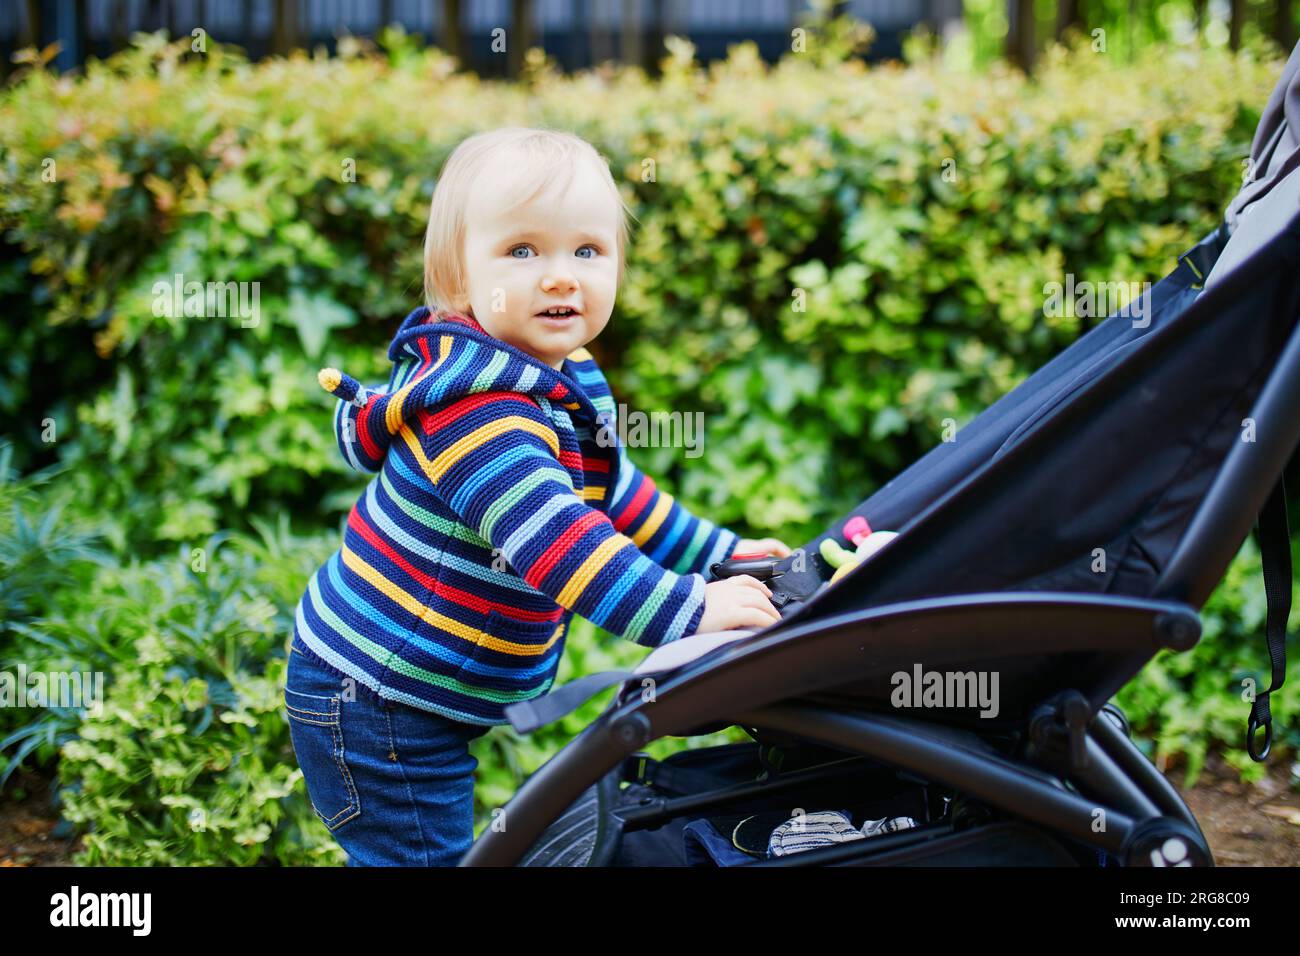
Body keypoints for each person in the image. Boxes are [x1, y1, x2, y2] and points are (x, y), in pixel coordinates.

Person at [283, 126, 790, 866]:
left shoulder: (566, 372)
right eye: (523, 251)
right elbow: (560, 545)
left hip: (422, 689)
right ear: (460, 280)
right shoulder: (477, 410)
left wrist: (722, 555)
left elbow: (616, 495)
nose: (560, 277)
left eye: (587, 250)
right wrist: (688, 610)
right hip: (374, 695)